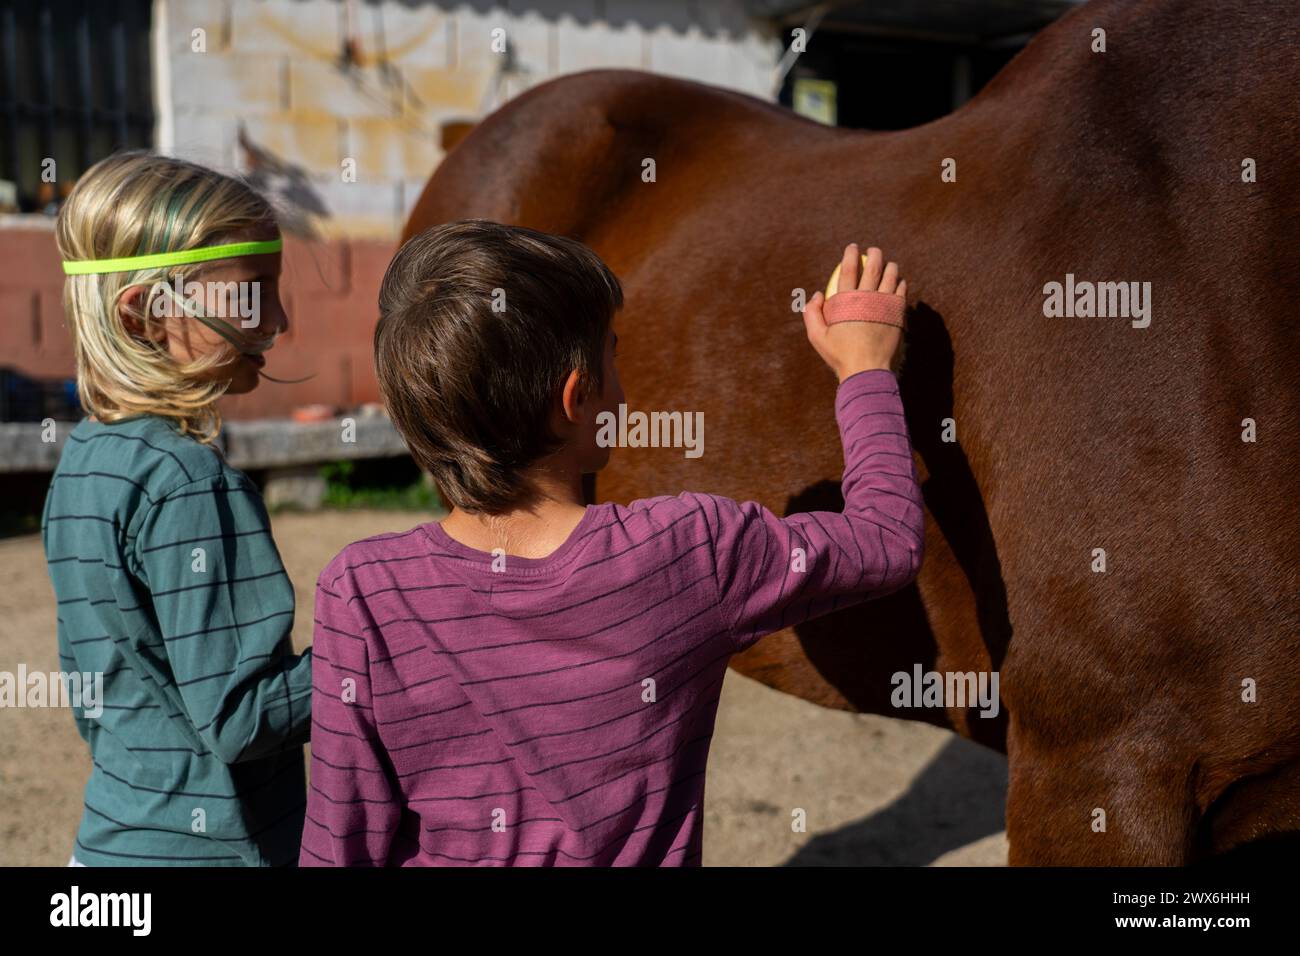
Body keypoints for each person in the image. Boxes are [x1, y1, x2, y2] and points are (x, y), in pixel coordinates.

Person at [301, 220, 923, 866]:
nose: (622, 390)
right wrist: (866, 369)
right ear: (576, 396)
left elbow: (339, 846)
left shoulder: (360, 592)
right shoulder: (687, 550)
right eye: (612, 357)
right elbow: (886, 540)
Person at [45, 150, 310, 866]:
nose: (278, 319)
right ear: (146, 315)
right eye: (254, 294)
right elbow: (242, 719)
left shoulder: (86, 458)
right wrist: (374, 655)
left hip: (109, 853)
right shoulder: (189, 482)